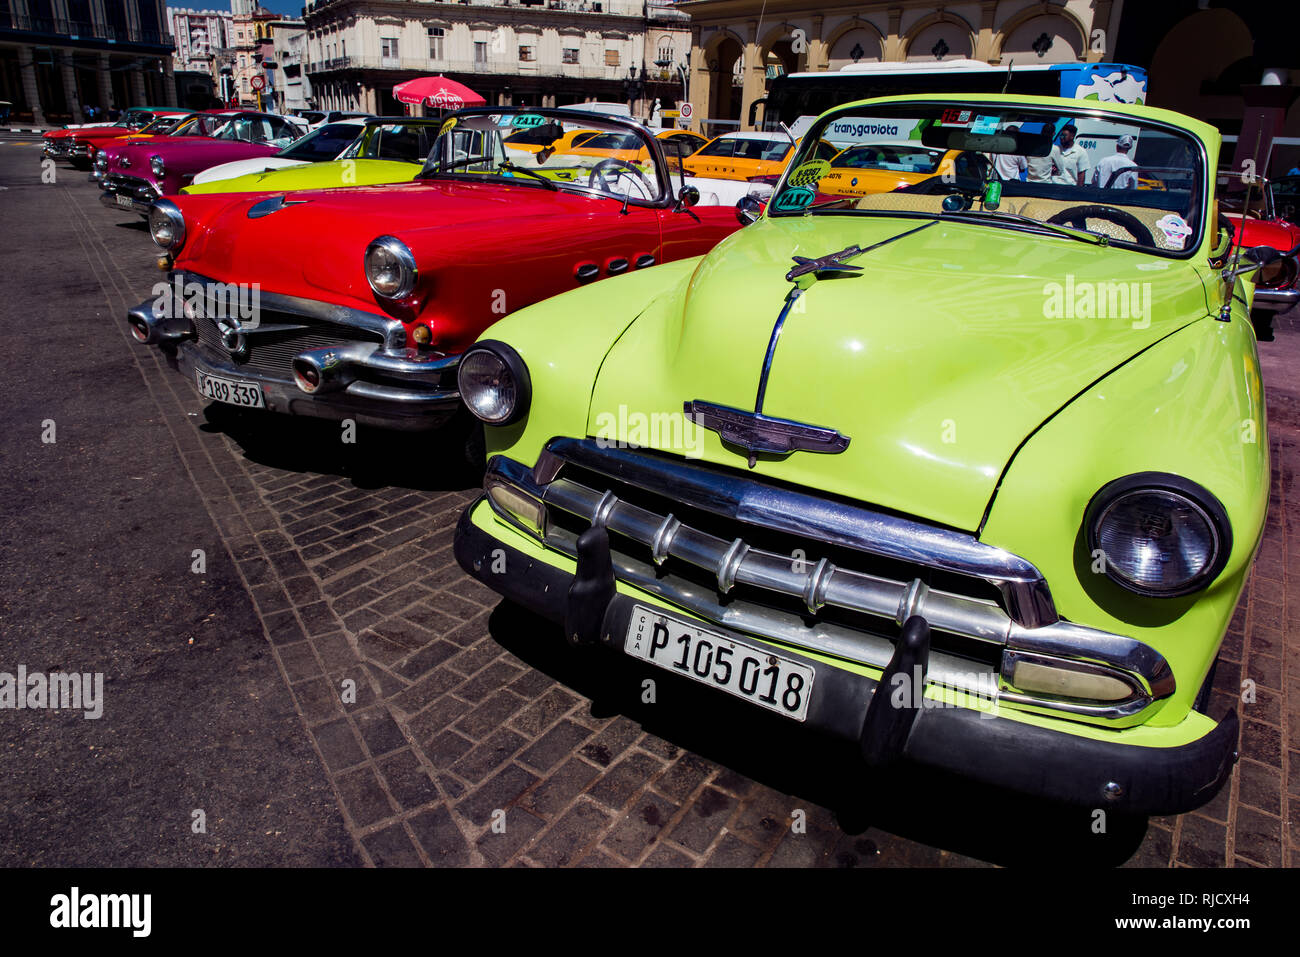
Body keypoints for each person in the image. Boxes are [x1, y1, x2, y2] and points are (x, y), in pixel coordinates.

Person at [1049, 122, 1091, 186]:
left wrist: (1078, 191)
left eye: (1064, 135)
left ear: (1072, 136)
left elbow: (1081, 174)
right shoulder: (1055, 149)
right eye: (1061, 135)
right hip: (1054, 185)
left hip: (1069, 188)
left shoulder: (1080, 152)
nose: (1061, 137)